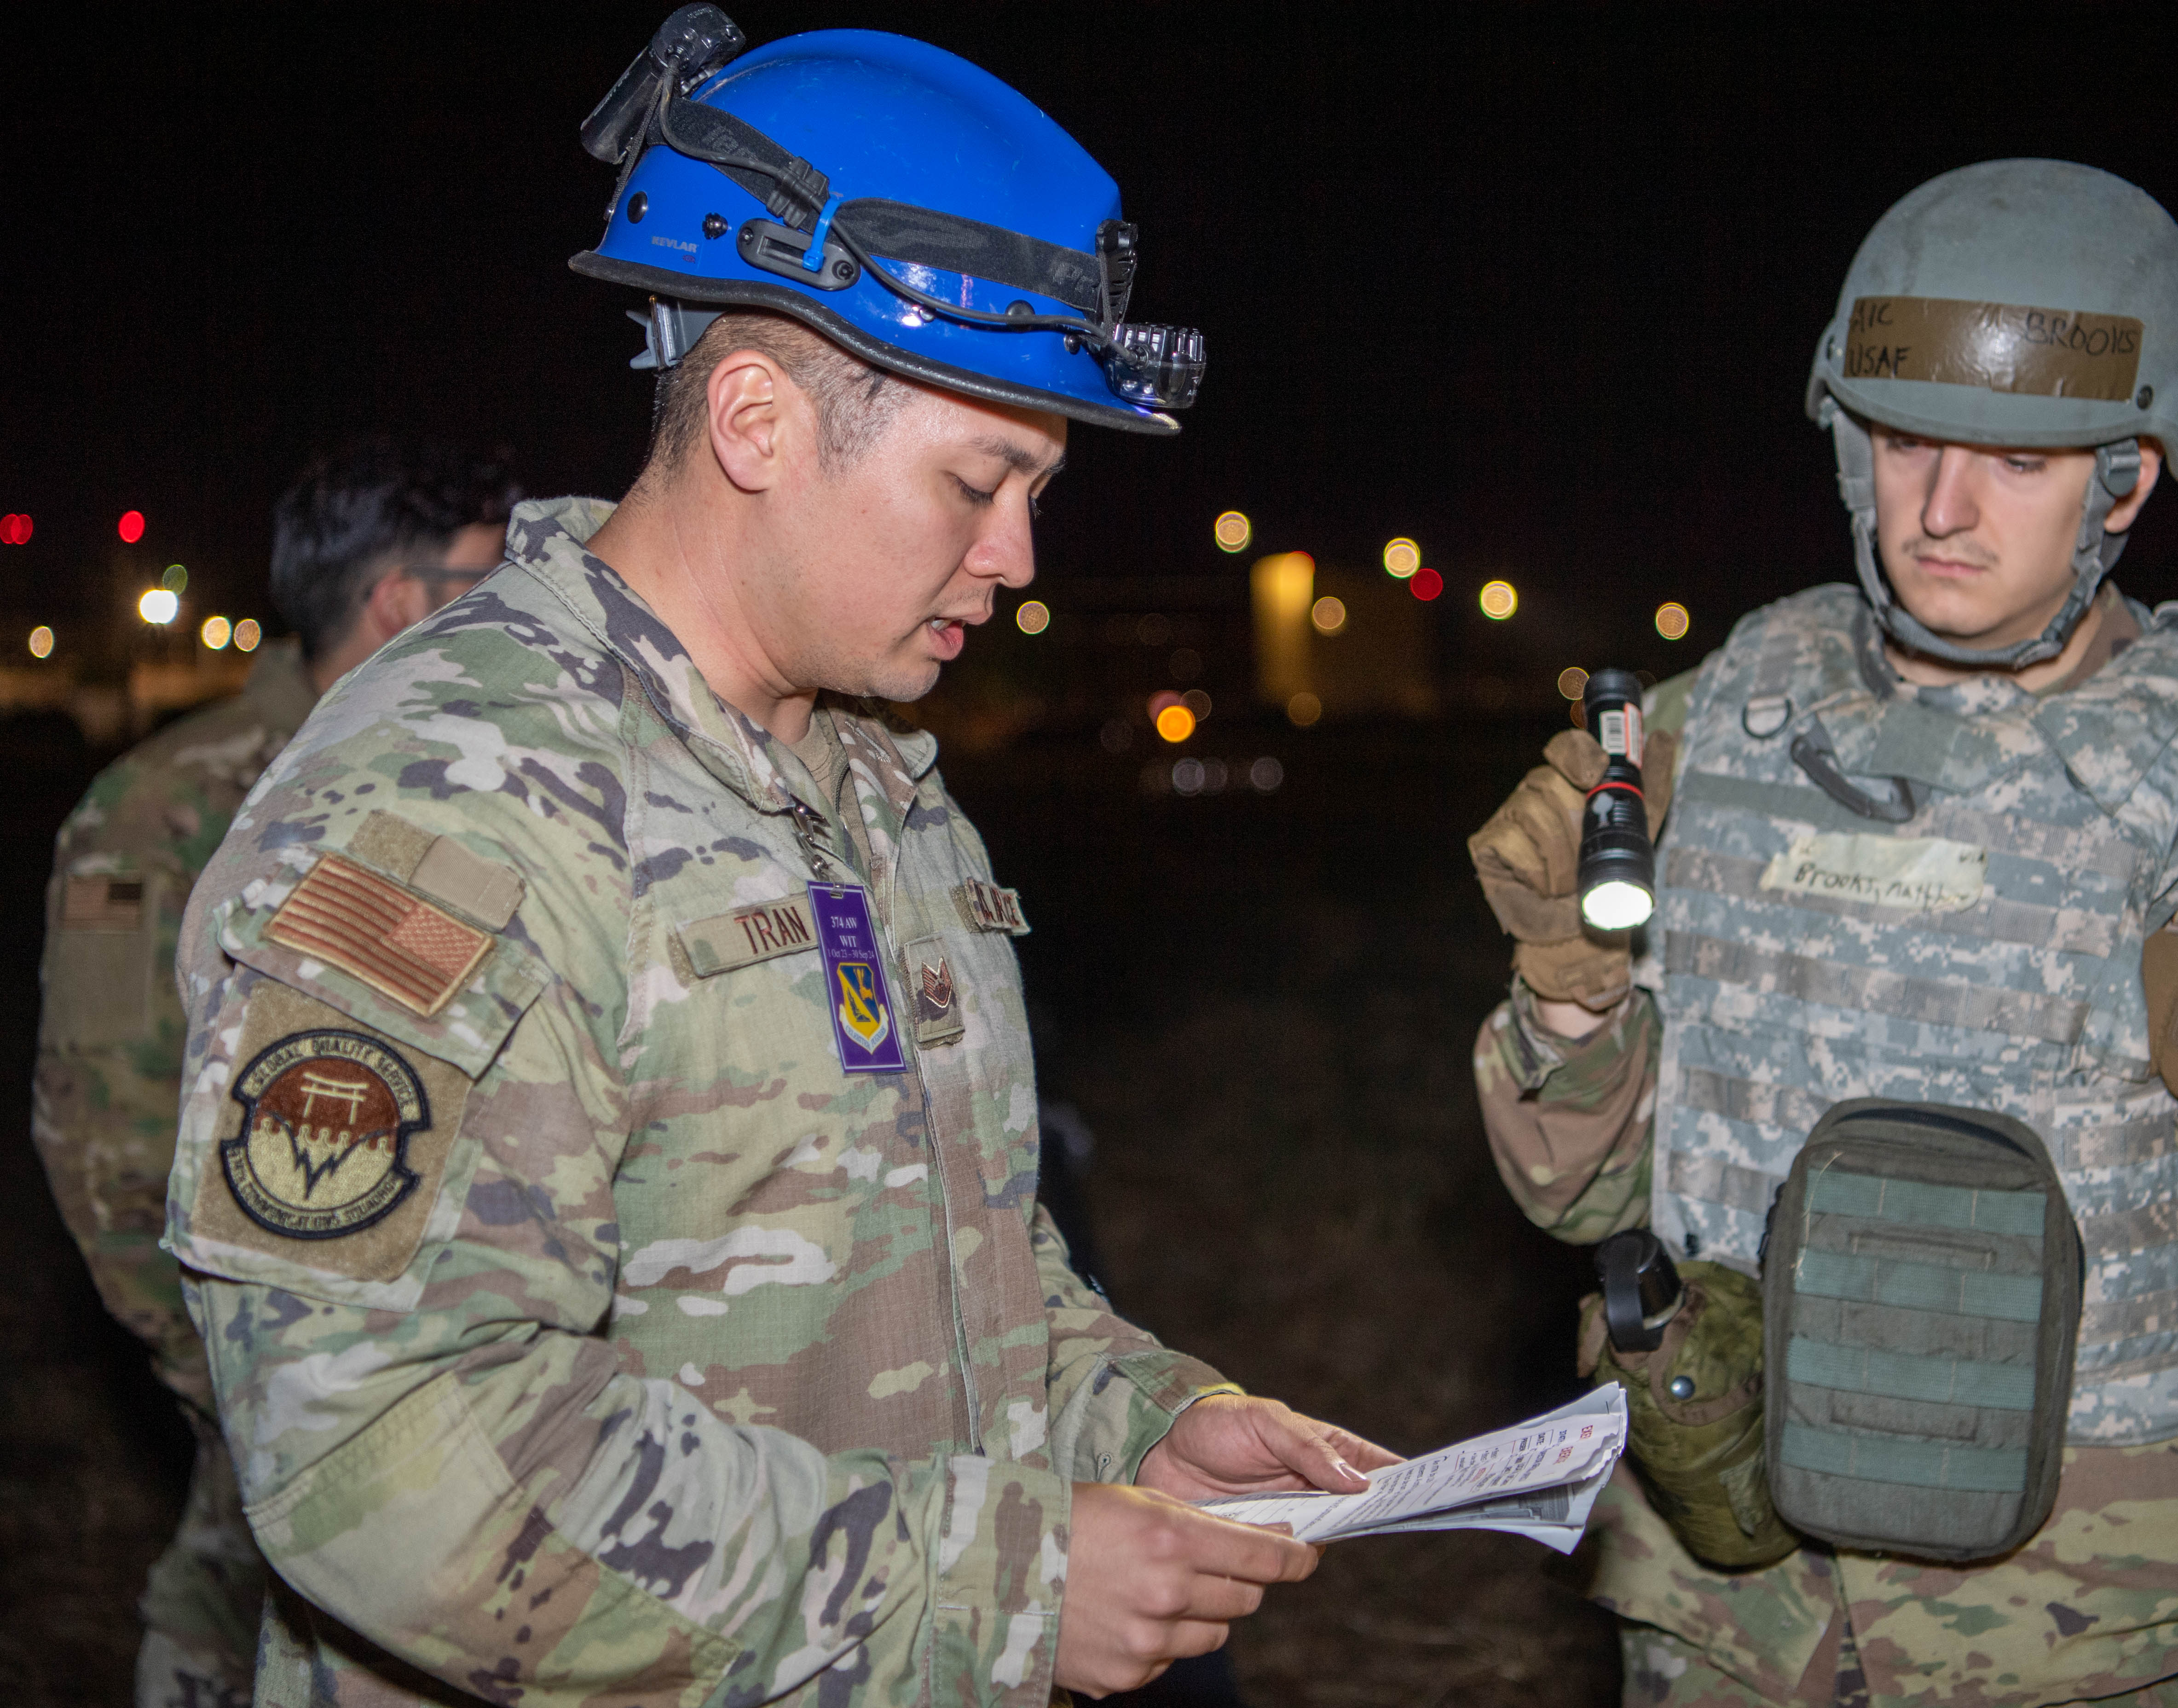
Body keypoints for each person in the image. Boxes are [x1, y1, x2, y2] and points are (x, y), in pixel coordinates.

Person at [159, 18, 1387, 1705]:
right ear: (756, 420)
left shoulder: (876, 783)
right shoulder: (456, 802)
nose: (1019, 559)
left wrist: (1148, 1418)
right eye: (979, 481)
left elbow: (950, 1263)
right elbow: (379, 1453)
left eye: (1036, 490)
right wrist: (998, 1590)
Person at [1468, 160, 2178, 1706]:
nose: (1942, 512)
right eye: (1905, 443)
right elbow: (1582, 1202)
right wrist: (1568, 1005)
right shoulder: (1726, 726)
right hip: (1726, 1631)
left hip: (2098, 1646)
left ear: (2128, 480)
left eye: (2016, 464)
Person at [33, 438, 516, 1708]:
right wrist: (252, 1381)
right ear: (400, 603)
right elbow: (105, 1149)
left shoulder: (475, 791)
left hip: (475, 1411)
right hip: (277, 1391)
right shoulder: (168, 808)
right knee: (227, 1629)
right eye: (487, 582)